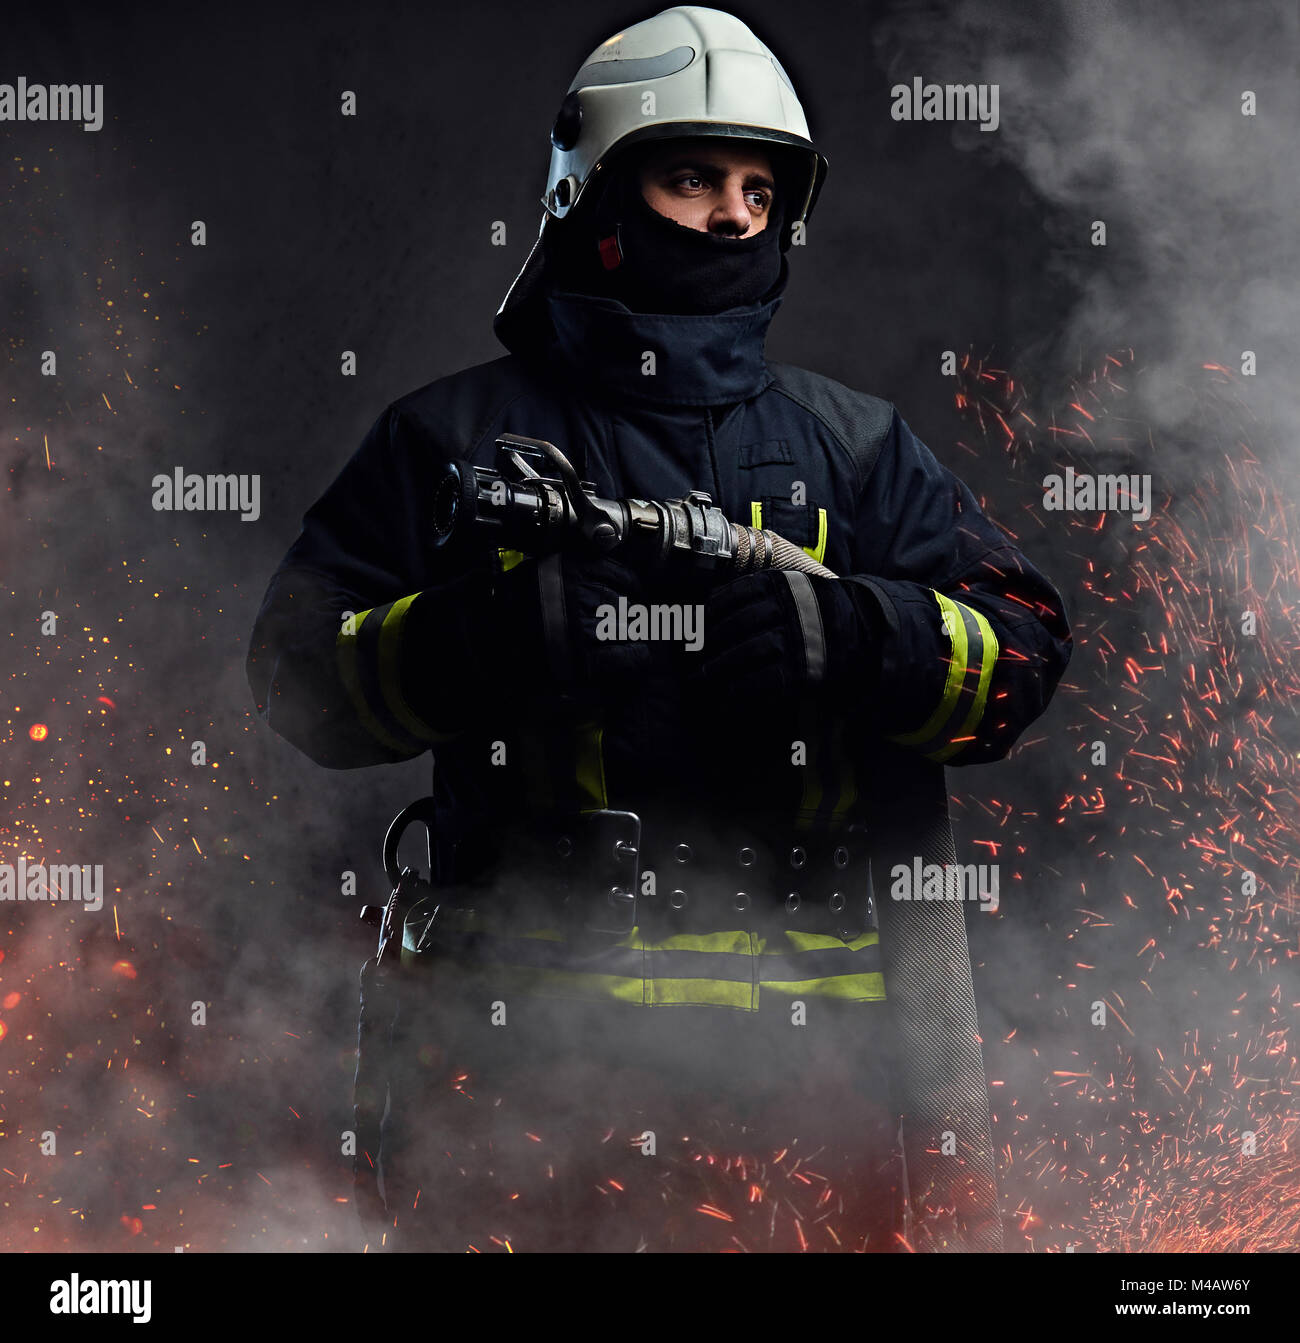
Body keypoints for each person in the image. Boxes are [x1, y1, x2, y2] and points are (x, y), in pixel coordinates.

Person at [246, 5, 1072, 1252]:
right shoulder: (452, 439)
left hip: (818, 1078)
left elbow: (1020, 660)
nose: (735, 215)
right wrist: (485, 638)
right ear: (591, 192)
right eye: (691, 178)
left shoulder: (858, 449)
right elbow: (296, 683)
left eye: (758, 186)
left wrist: (859, 638)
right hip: (516, 1076)